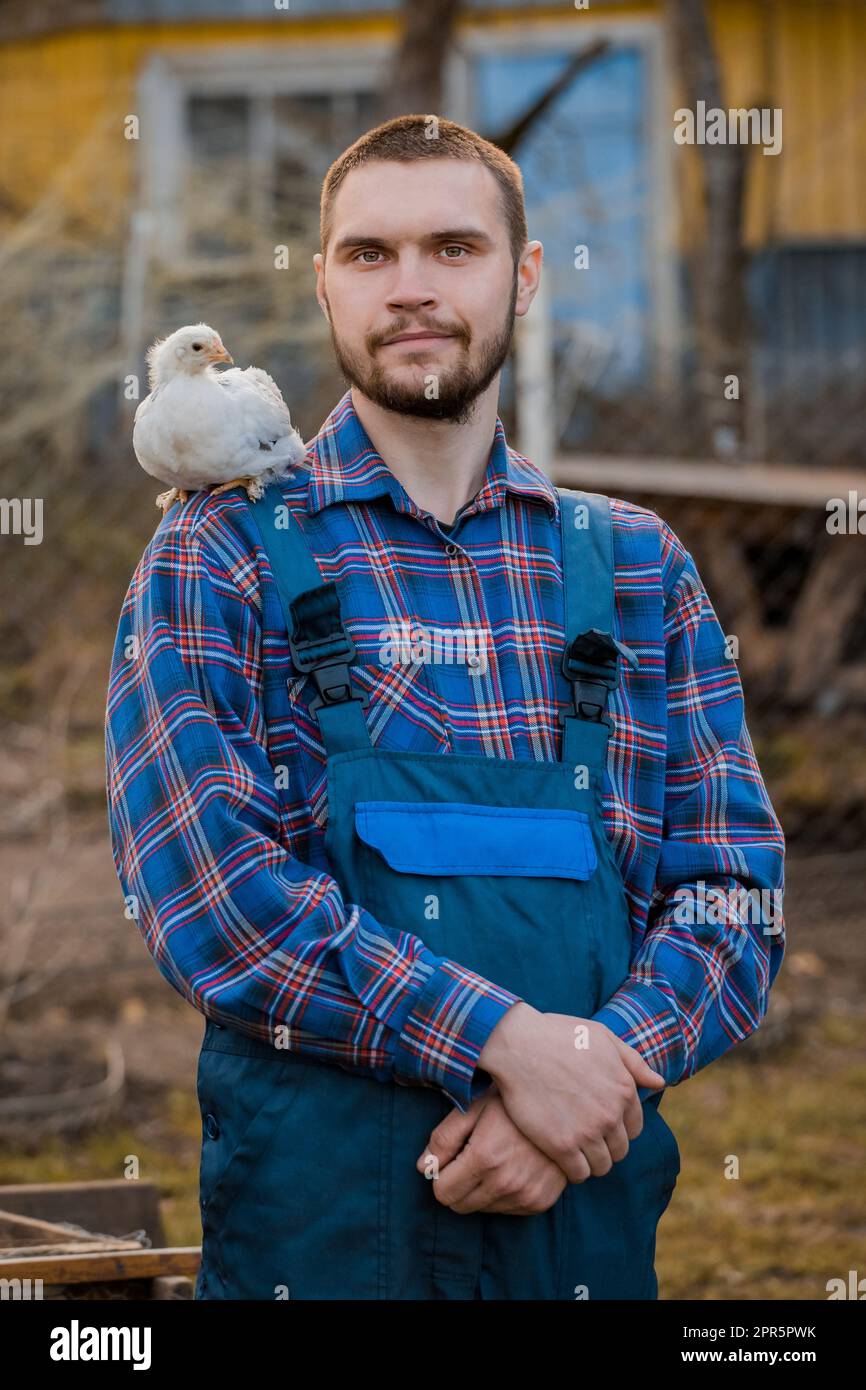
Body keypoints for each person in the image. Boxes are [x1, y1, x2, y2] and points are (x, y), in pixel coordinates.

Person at [104, 114, 786, 1301]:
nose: (409, 288)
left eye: (452, 248)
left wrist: (591, 1079)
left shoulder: (633, 567)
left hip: (579, 1229)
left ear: (521, 275)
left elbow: (731, 891)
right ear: (322, 282)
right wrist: (508, 1048)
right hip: (321, 1251)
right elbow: (212, 898)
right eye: (368, 255)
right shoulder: (218, 555)